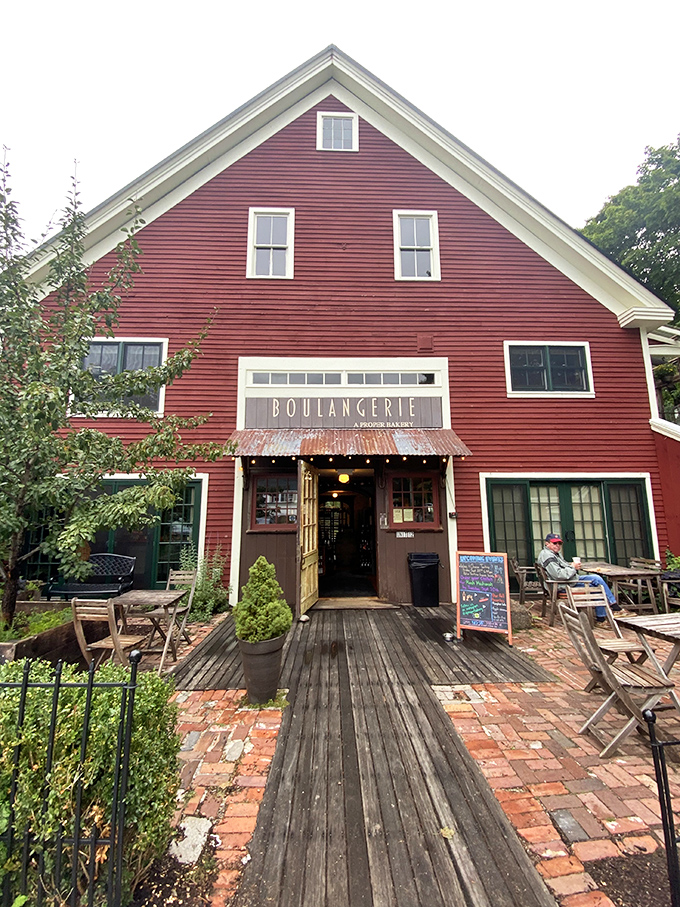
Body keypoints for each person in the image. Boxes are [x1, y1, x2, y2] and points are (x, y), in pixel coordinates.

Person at [537, 533, 626, 624]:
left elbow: (560, 568)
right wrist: (573, 568)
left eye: (559, 543)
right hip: (562, 585)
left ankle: (605, 614)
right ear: (547, 544)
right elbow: (559, 575)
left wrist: (571, 565)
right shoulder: (548, 556)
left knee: (597, 580)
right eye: (554, 543)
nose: (558, 545)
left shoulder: (554, 554)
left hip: (569, 581)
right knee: (596, 584)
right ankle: (609, 611)